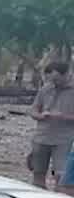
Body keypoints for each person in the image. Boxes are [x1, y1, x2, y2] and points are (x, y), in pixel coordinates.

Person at [28, 61, 74, 189]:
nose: (54, 83)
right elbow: (33, 109)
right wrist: (39, 115)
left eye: (57, 79)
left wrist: (63, 116)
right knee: (38, 172)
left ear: (67, 74)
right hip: (42, 137)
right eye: (51, 80)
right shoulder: (46, 89)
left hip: (64, 140)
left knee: (60, 175)